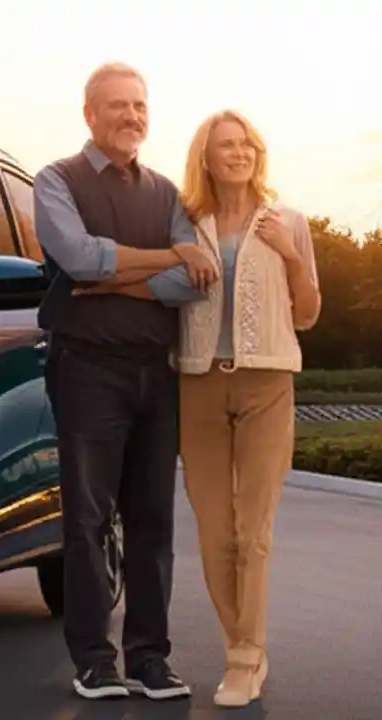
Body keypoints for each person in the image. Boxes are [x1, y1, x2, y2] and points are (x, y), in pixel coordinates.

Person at [80, 109, 321, 708]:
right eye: (225, 146)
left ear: (256, 153)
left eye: (245, 144)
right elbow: (163, 286)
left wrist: (290, 256)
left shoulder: (288, 220)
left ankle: (243, 659)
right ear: (206, 159)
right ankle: (245, 645)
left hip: (268, 385)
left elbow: (309, 313)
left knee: (253, 531)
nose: (237, 153)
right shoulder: (185, 223)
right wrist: (102, 286)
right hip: (199, 385)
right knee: (215, 531)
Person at [32, 61, 218, 701]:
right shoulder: (57, 179)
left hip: (154, 373)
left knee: (153, 523)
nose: (131, 116)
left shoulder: (168, 194)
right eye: (118, 106)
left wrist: (111, 279)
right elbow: (77, 257)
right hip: (85, 367)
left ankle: (149, 658)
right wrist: (169, 255)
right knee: (87, 520)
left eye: (139, 105)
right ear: (90, 114)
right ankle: (94, 660)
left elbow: (189, 284)